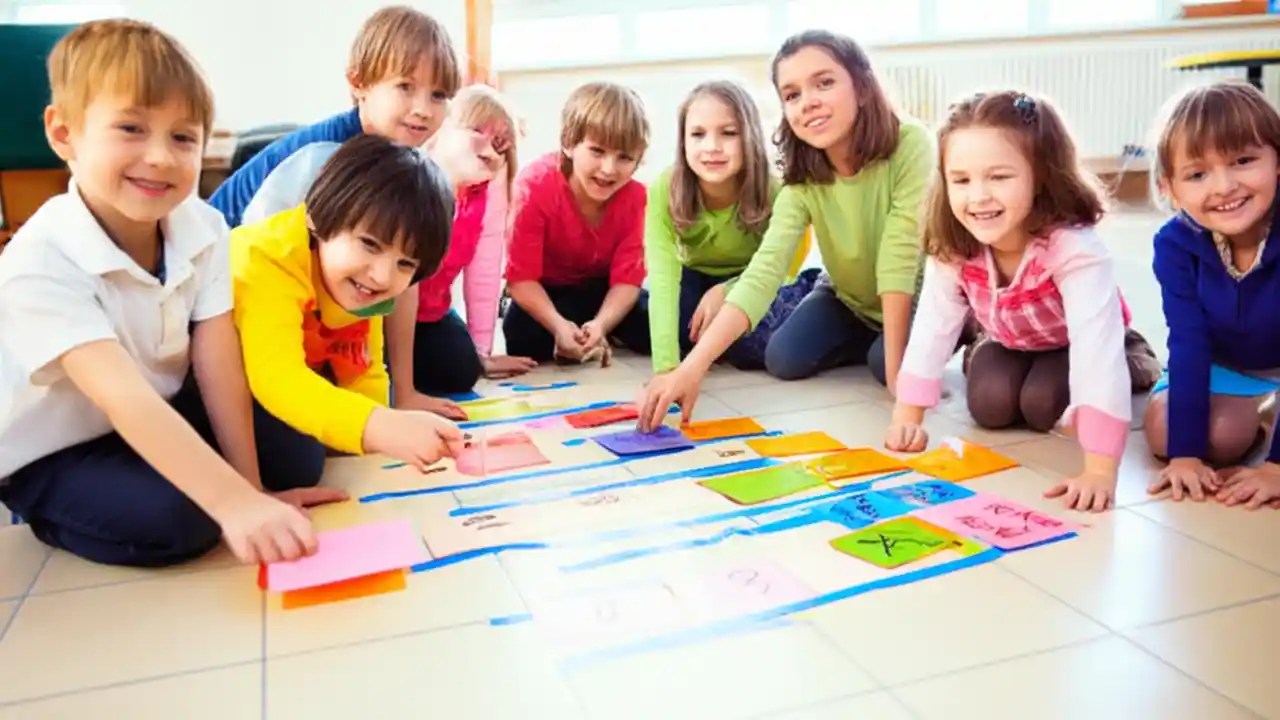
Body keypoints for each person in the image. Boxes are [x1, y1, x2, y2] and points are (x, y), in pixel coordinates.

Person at [0, 19, 341, 568]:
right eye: (131, 129)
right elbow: (120, 396)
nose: (160, 156)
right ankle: (47, 510)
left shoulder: (200, 226)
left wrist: (251, 489)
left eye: (182, 137)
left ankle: (195, 478)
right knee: (185, 521)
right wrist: (231, 504)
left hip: (158, 403)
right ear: (64, 134)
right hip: (60, 448)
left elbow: (218, 360)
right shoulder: (38, 263)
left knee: (296, 459)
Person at [638, 29, 931, 429]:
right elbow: (765, 270)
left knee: (886, 366)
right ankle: (868, 341)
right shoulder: (802, 178)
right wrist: (689, 369)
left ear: (862, 86)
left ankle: (910, 343)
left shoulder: (911, 144)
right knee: (783, 358)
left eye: (824, 83)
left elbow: (898, 257)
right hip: (847, 299)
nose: (808, 103)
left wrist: (900, 383)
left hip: (910, 297)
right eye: (792, 95)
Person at [885, 90, 1162, 513]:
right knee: (991, 403)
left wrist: (1100, 471)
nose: (977, 196)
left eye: (998, 177)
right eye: (961, 180)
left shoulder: (1073, 249)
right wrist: (908, 417)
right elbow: (933, 327)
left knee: (1039, 403)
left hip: (1081, 343)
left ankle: (1137, 361)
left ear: (1042, 174)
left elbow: (1095, 351)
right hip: (1011, 340)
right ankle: (1022, 370)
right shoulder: (956, 244)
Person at [230, 134, 466, 474]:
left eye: (406, 264)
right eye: (369, 244)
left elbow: (363, 368)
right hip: (197, 387)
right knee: (298, 462)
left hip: (293, 363)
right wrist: (380, 427)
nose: (383, 277)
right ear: (317, 217)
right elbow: (278, 379)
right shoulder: (267, 256)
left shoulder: (364, 284)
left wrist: (383, 435)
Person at [1144, 79, 1280, 510]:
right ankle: (1261, 415)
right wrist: (1185, 455)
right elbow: (1188, 341)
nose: (1223, 187)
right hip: (1227, 362)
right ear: (1169, 188)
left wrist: (1277, 468)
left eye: (1243, 160)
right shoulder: (1174, 244)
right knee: (1177, 434)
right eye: (1198, 174)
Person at [207, 4, 460, 228]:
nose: (424, 110)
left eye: (438, 95)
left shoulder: (391, 151)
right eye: (405, 87)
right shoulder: (325, 157)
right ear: (359, 82)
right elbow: (265, 245)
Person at [645, 79, 814, 374]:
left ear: (748, 137)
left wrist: (728, 290)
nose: (712, 147)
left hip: (757, 279)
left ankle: (811, 296)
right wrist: (666, 370)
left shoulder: (775, 191)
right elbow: (662, 278)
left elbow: (786, 268)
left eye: (728, 133)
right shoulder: (665, 188)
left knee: (751, 344)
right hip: (694, 278)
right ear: (682, 141)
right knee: (663, 322)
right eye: (697, 134)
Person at [384, 85, 536, 410]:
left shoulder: (486, 196)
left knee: (463, 369)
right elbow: (402, 288)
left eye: (500, 145)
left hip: (431, 313)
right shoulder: (413, 181)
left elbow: (484, 274)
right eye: (477, 132)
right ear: (441, 132)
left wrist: (483, 350)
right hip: (381, 314)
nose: (491, 151)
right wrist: (404, 388)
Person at [502, 82, 652, 363]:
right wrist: (558, 325)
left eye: (624, 158)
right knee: (523, 337)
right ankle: (570, 334)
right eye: (597, 151)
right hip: (547, 291)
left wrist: (600, 325)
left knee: (658, 324)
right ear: (568, 144)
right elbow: (521, 279)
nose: (608, 169)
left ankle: (595, 335)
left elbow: (627, 280)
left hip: (602, 290)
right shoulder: (534, 186)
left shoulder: (638, 199)